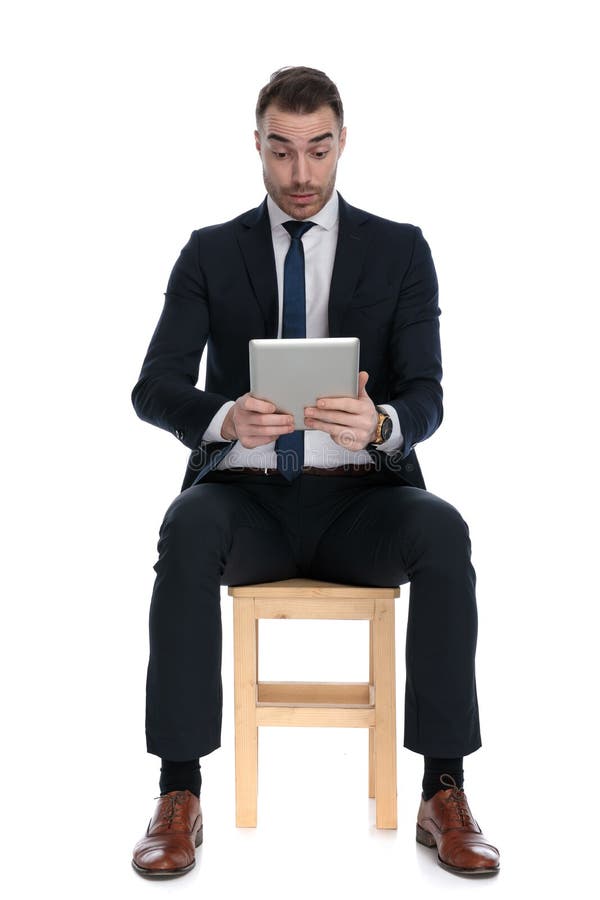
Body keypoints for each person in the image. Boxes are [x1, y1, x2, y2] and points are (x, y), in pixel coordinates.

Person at [130, 66, 500, 878]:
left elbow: (429, 393)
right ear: (256, 146)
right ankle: (178, 792)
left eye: (318, 151)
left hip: (361, 503)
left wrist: (385, 424)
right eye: (282, 151)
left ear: (342, 145)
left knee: (444, 532)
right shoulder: (210, 252)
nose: (300, 175)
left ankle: (445, 789)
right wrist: (223, 417)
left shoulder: (401, 249)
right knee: (184, 529)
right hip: (246, 501)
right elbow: (153, 387)